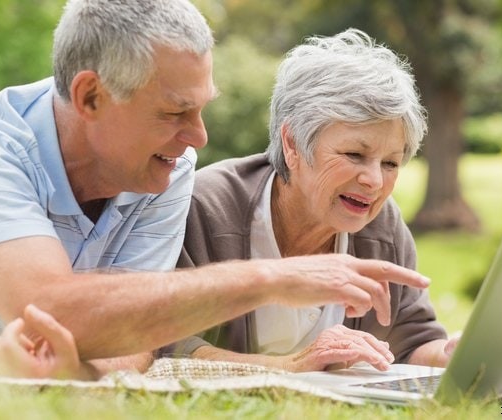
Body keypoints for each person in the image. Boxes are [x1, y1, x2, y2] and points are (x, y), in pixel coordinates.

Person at [0, 1, 430, 379]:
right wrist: (273, 278)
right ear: (91, 96)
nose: (199, 137)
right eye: (175, 113)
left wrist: (67, 375)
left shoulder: (165, 171)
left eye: (200, 109)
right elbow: (46, 310)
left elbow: (140, 335)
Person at [167, 29, 454, 371]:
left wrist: (454, 353)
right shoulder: (206, 208)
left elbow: (414, 343)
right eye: (354, 154)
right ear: (292, 144)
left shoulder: (383, 228)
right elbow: (163, 342)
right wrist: (290, 366)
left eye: (391, 163)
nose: (375, 181)